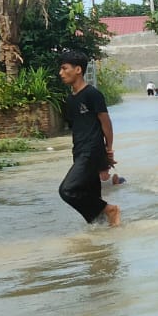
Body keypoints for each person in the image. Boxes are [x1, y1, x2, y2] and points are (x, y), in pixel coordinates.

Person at [56, 49, 120, 228]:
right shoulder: (70, 99)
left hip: (91, 151)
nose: (60, 73)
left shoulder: (92, 94)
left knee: (67, 190)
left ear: (78, 70)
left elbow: (106, 123)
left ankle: (110, 209)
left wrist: (108, 150)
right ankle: (104, 243)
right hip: (79, 151)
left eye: (64, 68)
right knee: (92, 201)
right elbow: (77, 128)